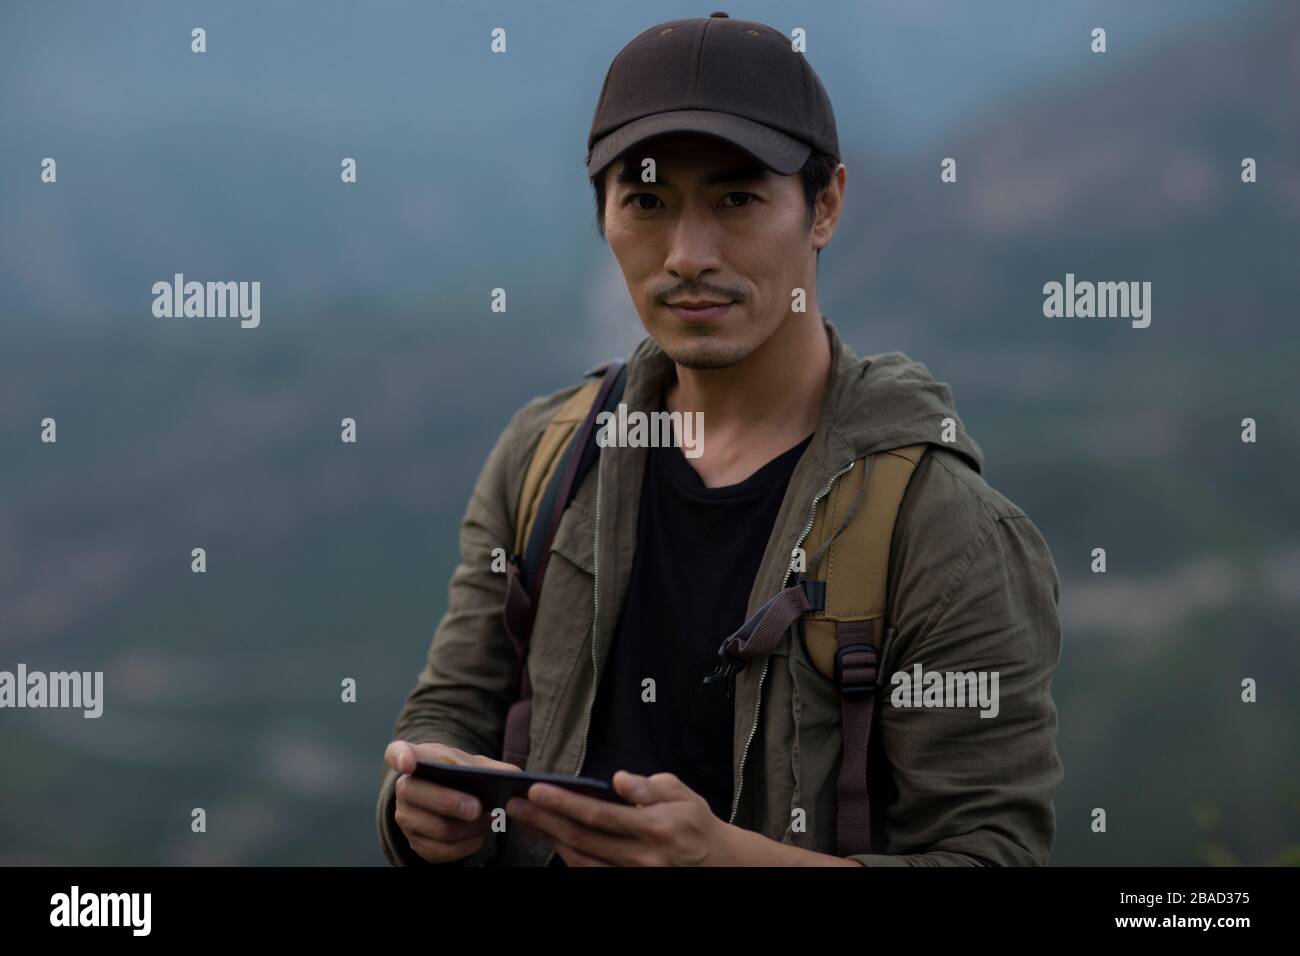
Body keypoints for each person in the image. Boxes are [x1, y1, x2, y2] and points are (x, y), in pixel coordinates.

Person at [378, 12, 1063, 867]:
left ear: (826, 206)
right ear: (604, 217)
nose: (688, 254)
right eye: (647, 203)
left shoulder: (947, 529)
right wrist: (424, 799)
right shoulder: (545, 458)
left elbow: (994, 853)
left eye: (738, 198)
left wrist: (724, 860)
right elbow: (448, 711)